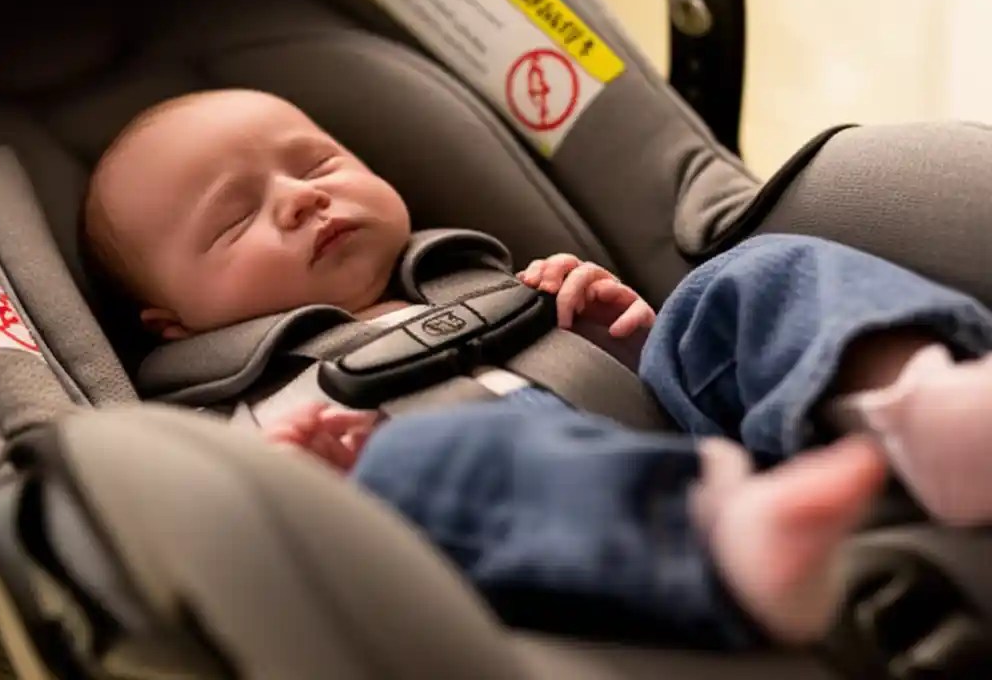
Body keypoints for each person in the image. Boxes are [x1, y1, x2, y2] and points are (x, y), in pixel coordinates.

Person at [82, 88, 992, 648]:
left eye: (317, 163)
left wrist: (629, 340)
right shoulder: (230, 408)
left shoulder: (487, 275)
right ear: (171, 326)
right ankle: (720, 541)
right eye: (236, 219)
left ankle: (919, 402)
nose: (302, 197)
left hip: (687, 446)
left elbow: (619, 397)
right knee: (426, 460)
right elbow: (237, 540)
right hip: (526, 560)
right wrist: (297, 478)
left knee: (741, 278)